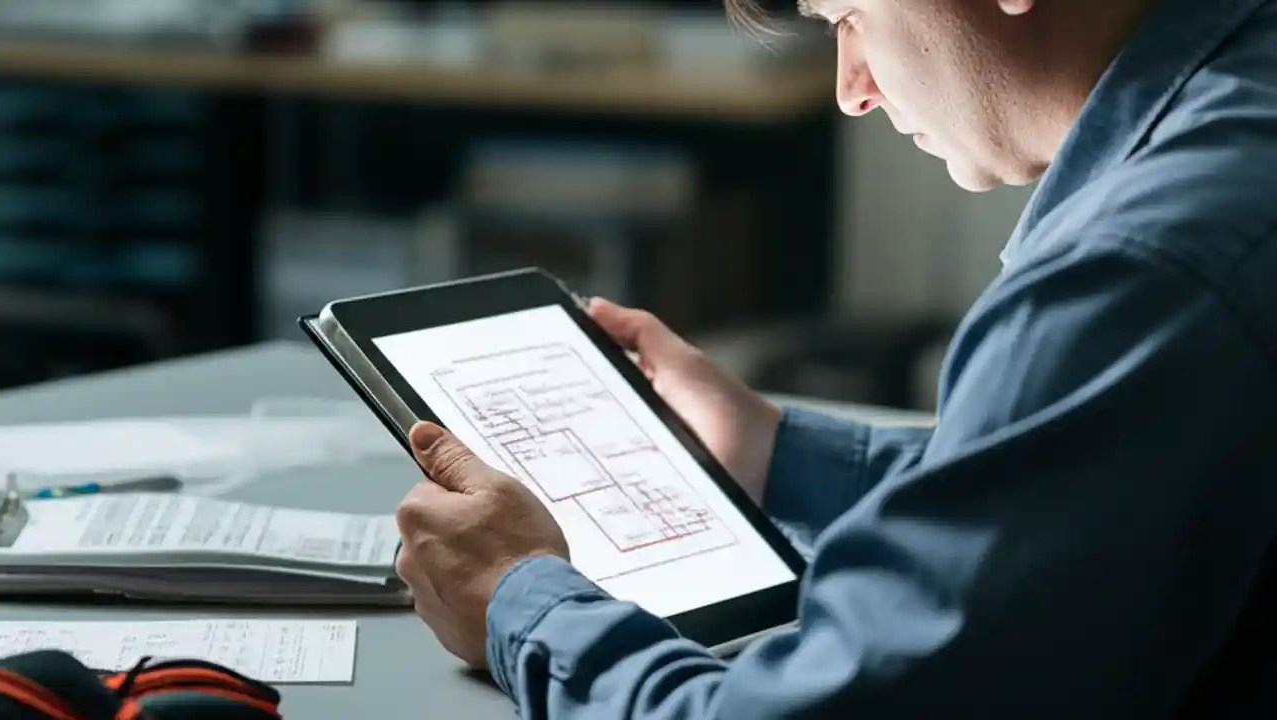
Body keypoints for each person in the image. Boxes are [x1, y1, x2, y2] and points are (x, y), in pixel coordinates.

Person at [391, 0, 1277, 716]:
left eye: (849, 17)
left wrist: (521, 599)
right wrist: (773, 454)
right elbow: (1095, 492)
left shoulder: (1134, 270)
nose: (852, 91)